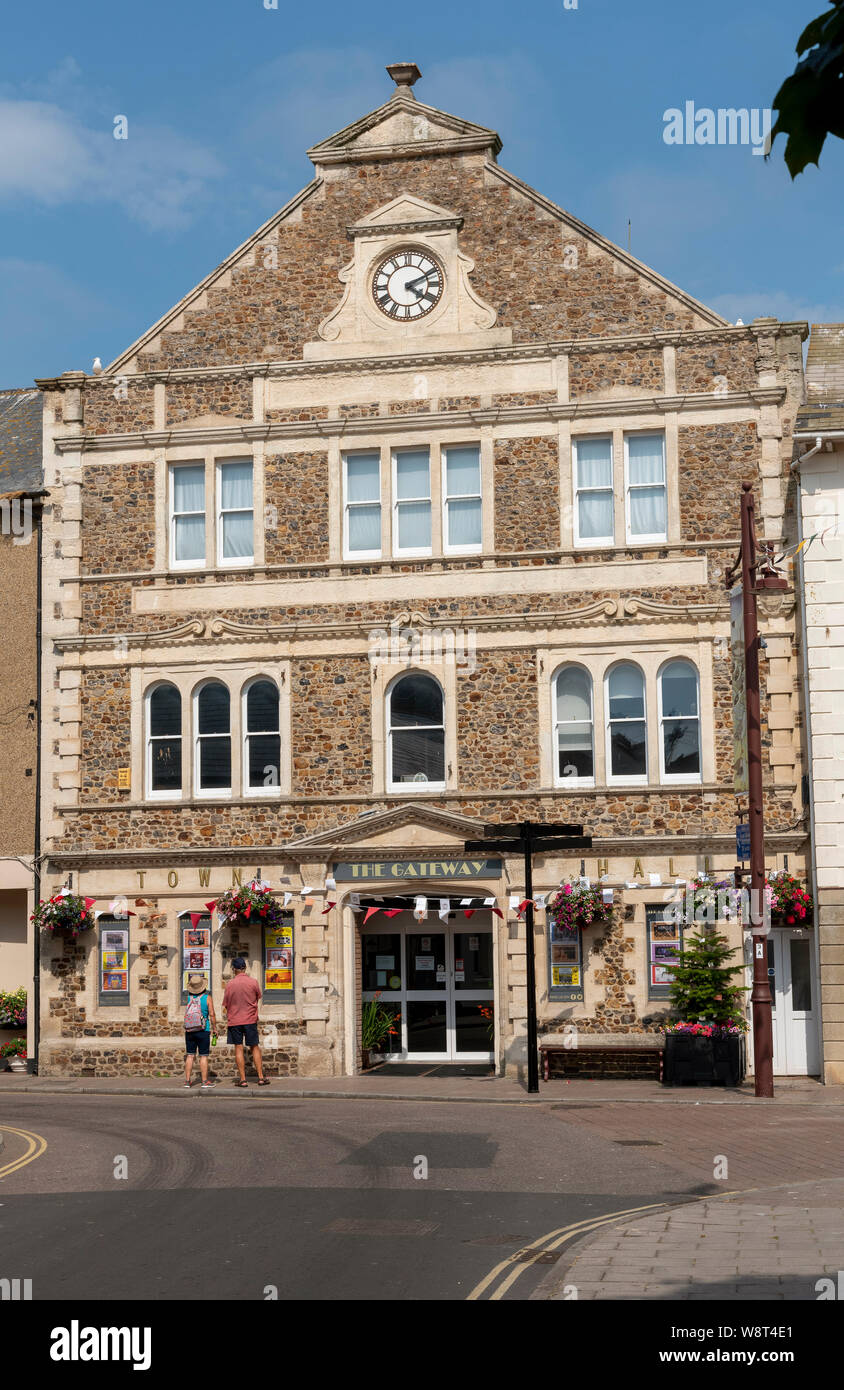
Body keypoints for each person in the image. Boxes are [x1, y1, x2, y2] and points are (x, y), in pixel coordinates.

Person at [222, 957, 269, 1087]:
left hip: (235, 1020)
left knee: (238, 1047)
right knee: (254, 1046)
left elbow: (226, 1004)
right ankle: (260, 1077)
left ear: (233, 969)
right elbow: (258, 997)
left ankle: (243, 1080)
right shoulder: (253, 982)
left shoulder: (230, 984)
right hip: (250, 1019)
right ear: (245, 968)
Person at [184, 974, 217, 1091]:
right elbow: (212, 1014)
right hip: (203, 1029)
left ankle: (187, 1081)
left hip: (189, 1030)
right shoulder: (207, 998)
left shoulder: (188, 998)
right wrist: (215, 1028)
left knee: (190, 1055)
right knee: (203, 1056)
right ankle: (204, 1081)